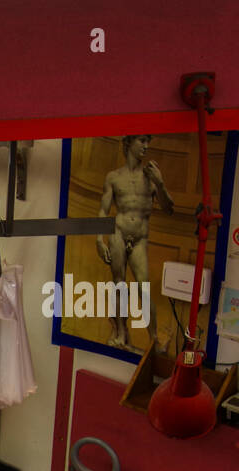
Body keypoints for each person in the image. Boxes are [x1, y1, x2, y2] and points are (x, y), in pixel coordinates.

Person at [96, 135, 174, 350]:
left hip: (139, 237)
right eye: (142, 141)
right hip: (118, 233)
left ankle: (154, 339)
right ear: (128, 143)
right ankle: (121, 332)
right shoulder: (114, 177)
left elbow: (169, 209)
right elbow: (104, 210)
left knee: (144, 287)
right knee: (119, 285)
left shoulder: (151, 176)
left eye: (149, 141)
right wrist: (99, 241)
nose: (146, 146)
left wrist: (160, 183)